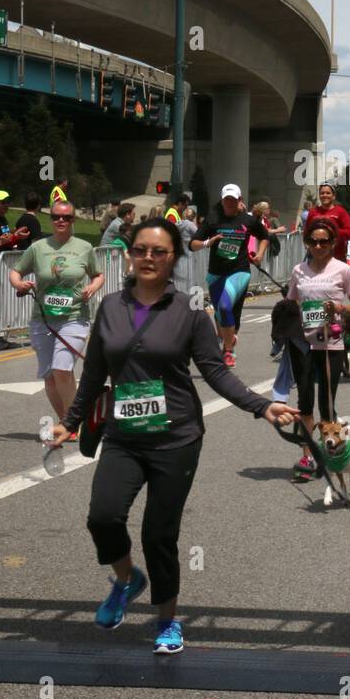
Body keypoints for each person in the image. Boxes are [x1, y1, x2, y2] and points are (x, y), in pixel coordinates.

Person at [49, 217, 298, 655]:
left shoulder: (189, 312)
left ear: (173, 259)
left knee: (158, 535)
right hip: (124, 435)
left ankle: (167, 620)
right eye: (141, 249)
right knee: (102, 517)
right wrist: (69, 421)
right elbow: (93, 375)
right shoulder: (109, 307)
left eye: (158, 252)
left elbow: (216, 372)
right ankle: (127, 579)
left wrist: (262, 405)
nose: (148, 258)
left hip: (176, 437)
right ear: (129, 255)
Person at [8, 199, 105, 428]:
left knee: (62, 369)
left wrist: (92, 287)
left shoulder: (84, 247)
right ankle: (66, 422)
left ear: (73, 220)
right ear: (50, 219)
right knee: (50, 375)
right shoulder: (38, 248)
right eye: (56, 217)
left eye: (67, 217)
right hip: (42, 320)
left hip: (74, 317)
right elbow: (15, 271)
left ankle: (72, 422)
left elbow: (98, 275)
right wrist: (18, 284)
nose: (61, 220)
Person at [285, 215, 350, 480]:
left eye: (324, 242)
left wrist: (339, 307)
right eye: (312, 241)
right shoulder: (298, 271)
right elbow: (291, 304)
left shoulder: (343, 270)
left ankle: (331, 455)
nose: (318, 246)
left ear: (333, 243)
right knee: (305, 403)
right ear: (306, 242)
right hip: (304, 345)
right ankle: (308, 456)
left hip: (331, 343)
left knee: (327, 405)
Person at [190, 184, 269, 366]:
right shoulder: (213, 220)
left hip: (239, 271)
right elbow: (192, 244)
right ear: (222, 200)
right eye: (227, 199)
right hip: (216, 274)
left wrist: (260, 254)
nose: (230, 203)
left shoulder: (247, 221)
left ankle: (228, 351)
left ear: (239, 200)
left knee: (225, 307)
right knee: (219, 313)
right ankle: (228, 338)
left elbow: (264, 235)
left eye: (234, 200)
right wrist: (208, 242)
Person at [304, 183, 350, 262]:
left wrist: (333, 230)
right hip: (315, 257)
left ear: (333, 196)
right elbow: (306, 232)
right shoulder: (313, 212)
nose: (325, 195)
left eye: (328, 193)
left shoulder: (340, 211)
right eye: (322, 193)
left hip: (336, 257)